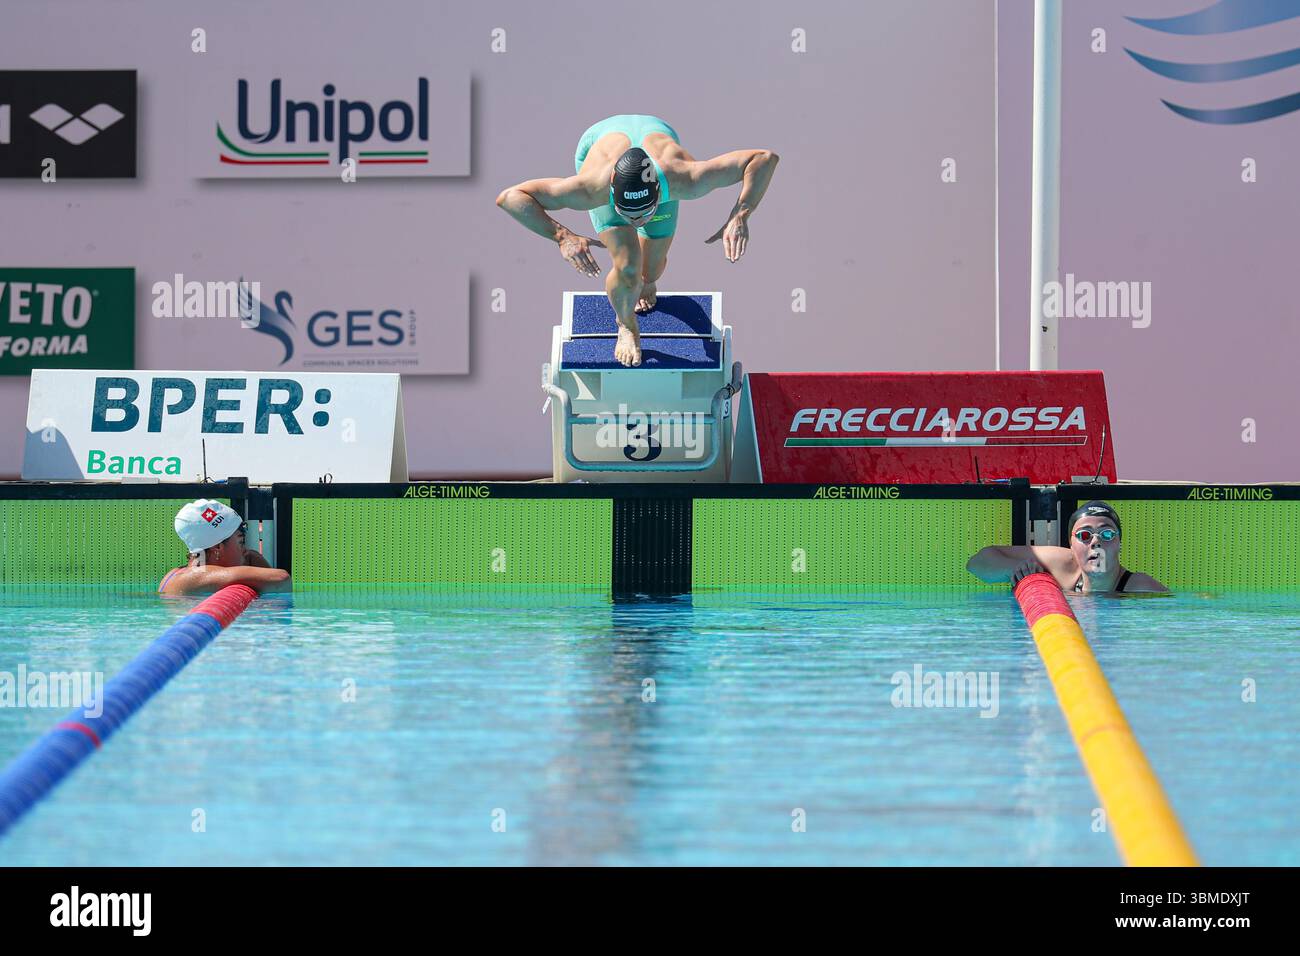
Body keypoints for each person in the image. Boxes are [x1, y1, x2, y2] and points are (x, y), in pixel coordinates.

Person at [495, 114, 780, 367]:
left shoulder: (686, 178)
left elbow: (764, 158)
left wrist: (741, 214)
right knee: (629, 268)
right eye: (628, 215)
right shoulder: (589, 188)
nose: (636, 223)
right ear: (611, 195)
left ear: (658, 193)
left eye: (644, 214)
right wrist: (562, 236)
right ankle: (627, 325)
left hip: (659, 136)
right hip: (599, 144)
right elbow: (511, 197)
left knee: (649, 271)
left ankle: (646, 280)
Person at [966, 500, 1168, 594]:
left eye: (1106, 534)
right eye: (1085, 535)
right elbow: (976, 563)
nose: (1095, 542)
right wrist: (1014, 569)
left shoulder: (1140, 587)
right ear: (1071, 545)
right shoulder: (1062, 564)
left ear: (1119, 543)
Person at [158, 499, 291, 596]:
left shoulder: (181, 572)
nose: (245, 550)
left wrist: (250, 558)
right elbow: (281, 580)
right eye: (241, 542)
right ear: (217, 547)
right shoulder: (196, 576)